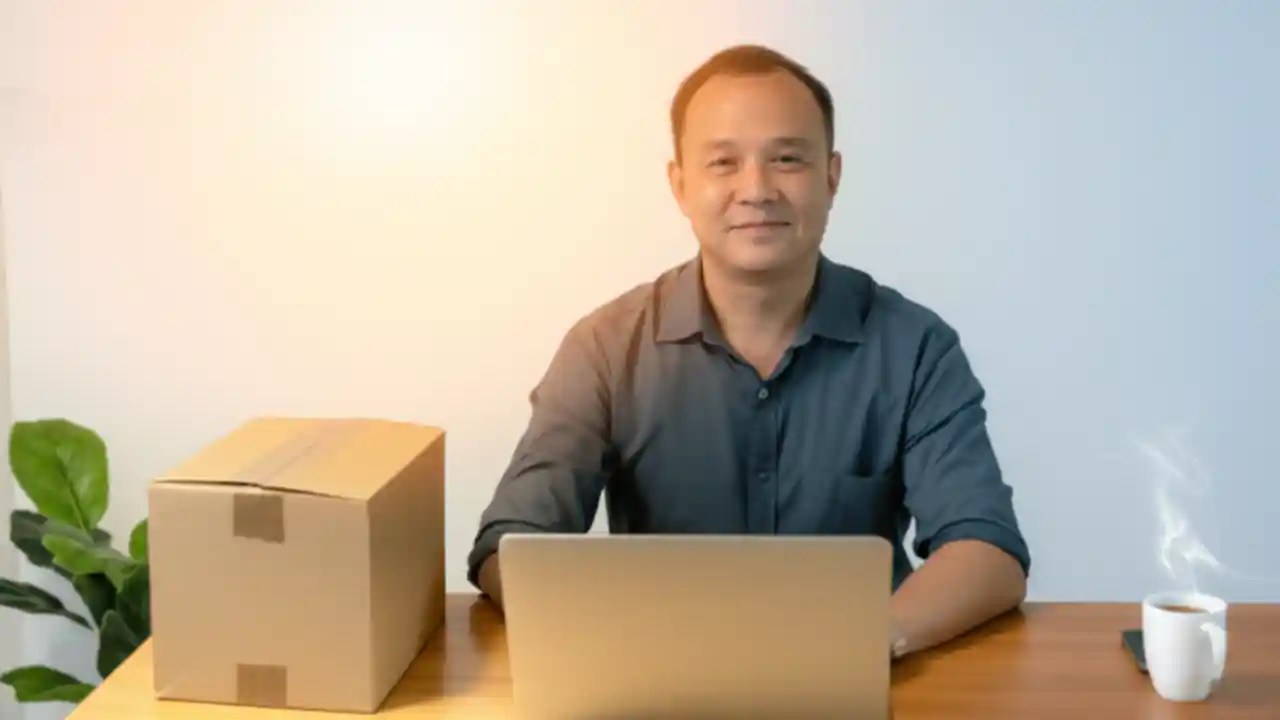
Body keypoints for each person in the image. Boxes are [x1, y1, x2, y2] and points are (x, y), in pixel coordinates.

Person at [467, 44, 1030, 658]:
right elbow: (511, 542)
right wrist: (614, 638)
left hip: (857, 679)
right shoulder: (605, 347)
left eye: (787, 159)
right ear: (680, 185)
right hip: (657, 680)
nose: (756, 189)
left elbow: (987, 550)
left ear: (832, 177)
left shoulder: (916, 347)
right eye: (723, 163)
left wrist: (856, 645)